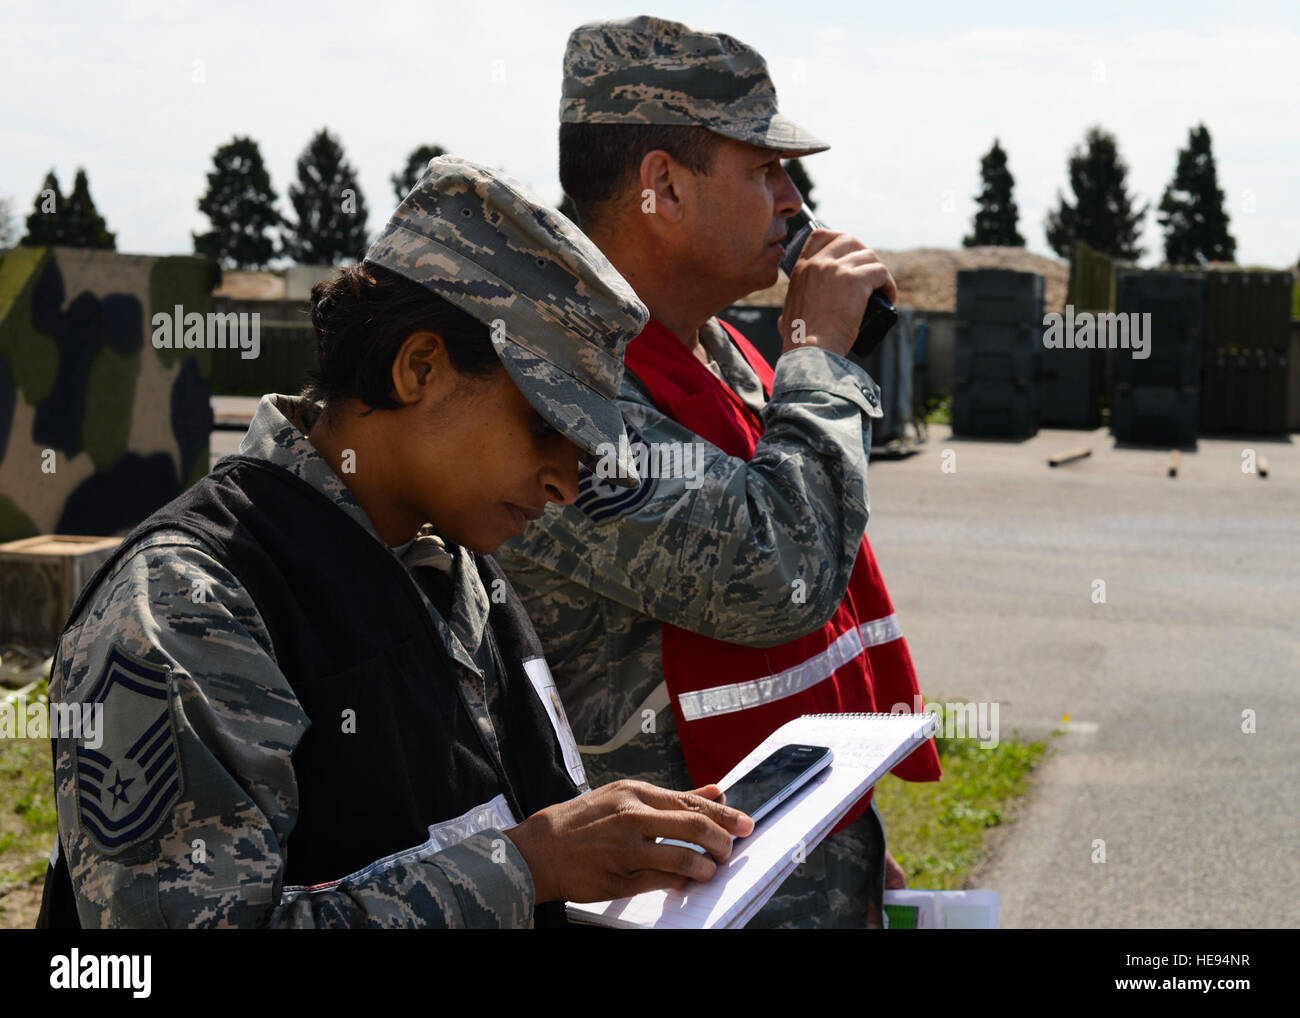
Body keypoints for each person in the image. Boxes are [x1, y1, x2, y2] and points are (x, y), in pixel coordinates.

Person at [36, 156, 752, 930]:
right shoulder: (185, 605)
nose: (566, 485)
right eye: (546, 428)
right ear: (420, 368)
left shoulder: (453, 561)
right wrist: (527, 866)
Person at [497, 16, 943, 928]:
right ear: (662, 184)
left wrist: (845, 836)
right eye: (764, 169)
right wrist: (820, 357)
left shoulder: (718, 353)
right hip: (665, 901)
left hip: (777, 863)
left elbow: (803, 644)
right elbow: (776, 577)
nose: (795, 201)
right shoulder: (562, 390)